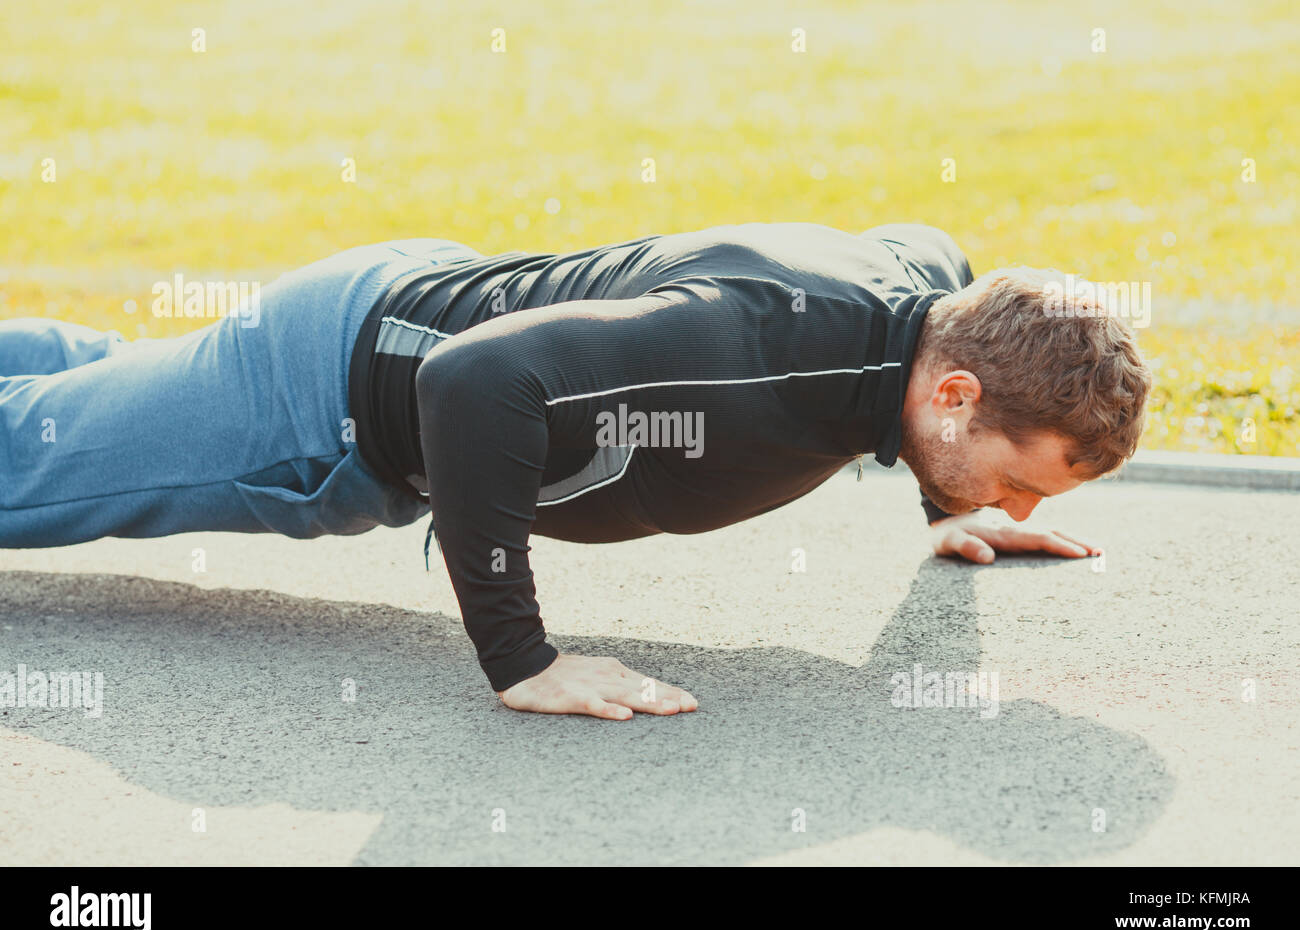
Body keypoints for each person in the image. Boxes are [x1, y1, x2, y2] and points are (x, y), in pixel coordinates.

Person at [0, 223, 1151, 719]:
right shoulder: (747, 358)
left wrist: (950, 497)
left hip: (390, 297)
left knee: (85, 387)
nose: (1022, 502)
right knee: (27, 464)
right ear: (953, 393)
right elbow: (469, 384)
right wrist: (522, 655)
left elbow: (938, 248)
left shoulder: (921, 312)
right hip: (320, 402)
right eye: (1022, 474)